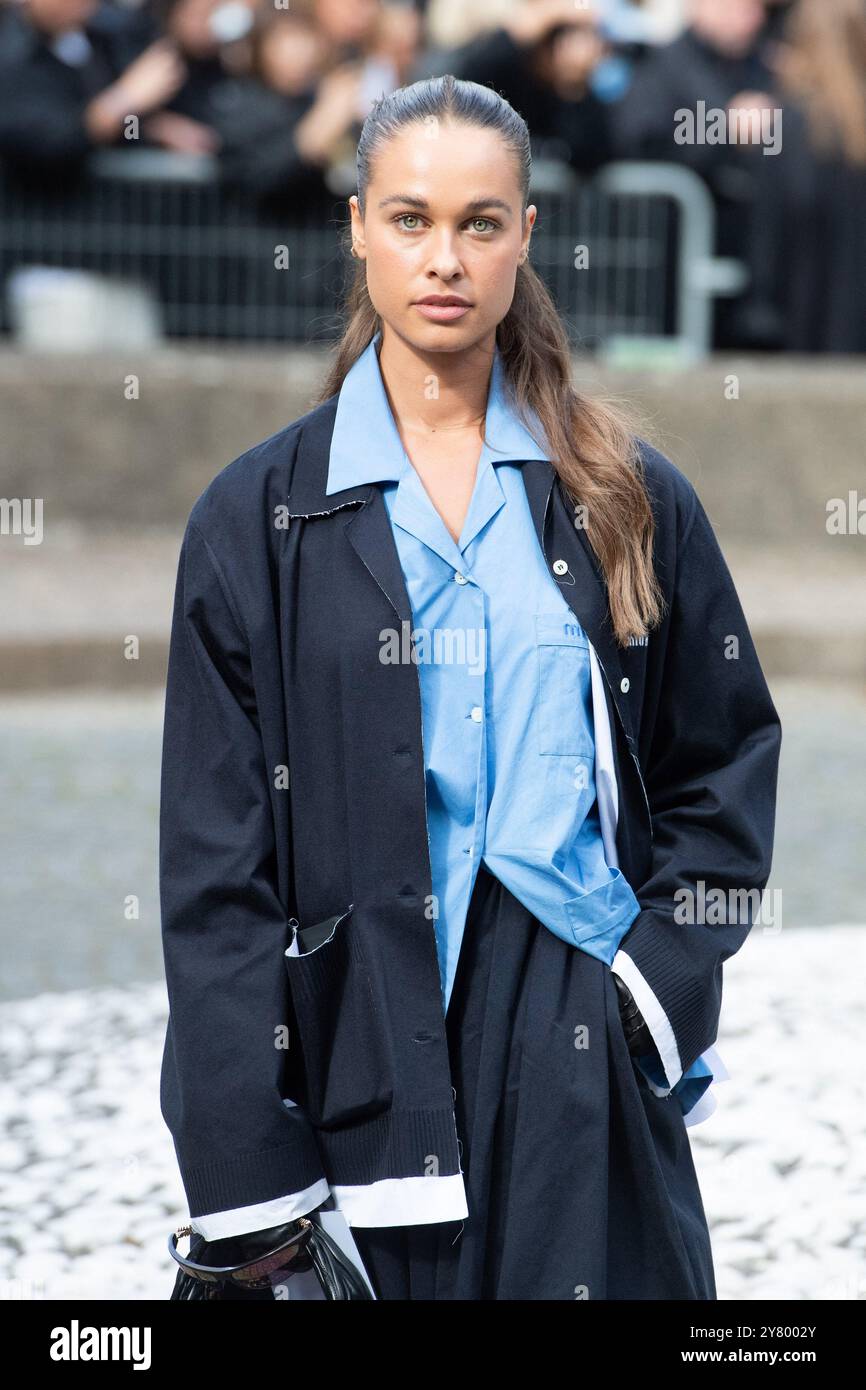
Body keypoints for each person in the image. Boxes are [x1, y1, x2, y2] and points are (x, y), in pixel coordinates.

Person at [158, 73, 782, 1300]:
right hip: (358, 1061)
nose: (442, 258)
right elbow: (213, 872)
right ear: (355, 227)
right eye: (409, 219)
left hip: (580, 1054)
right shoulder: (253, 517)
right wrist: (249, 1175)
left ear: (523, 237)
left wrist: (654, 991)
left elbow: (724, 771)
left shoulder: (626, 496)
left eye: (478, 223)